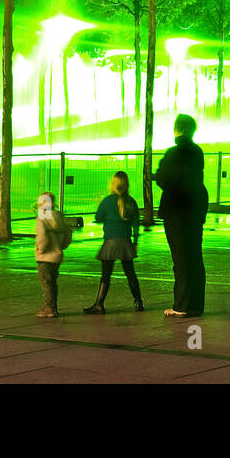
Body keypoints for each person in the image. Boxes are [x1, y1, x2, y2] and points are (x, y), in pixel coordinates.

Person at [155, 113, 208, 317]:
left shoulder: (174, 153)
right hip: (195, 208)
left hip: (177, 209)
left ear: (177, 129)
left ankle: (182, 305)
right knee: (195, 255)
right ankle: (196, 304)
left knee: (180, 257)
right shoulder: (197, 152)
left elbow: (163, 178)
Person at [82, 171, 143, 314]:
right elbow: (136, 225)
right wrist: (135, 242)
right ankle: (138, 302)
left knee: (106, 275)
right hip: (125, 242)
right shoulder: (132, 202)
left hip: (110, 243)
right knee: (130, 273)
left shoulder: (107, 201)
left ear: (113, 184)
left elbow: (98, 217)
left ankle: (99, 304)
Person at [34, 191, 71, 318]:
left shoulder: (42, 219)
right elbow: (68, 233)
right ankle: (53, 307)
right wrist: (62, 246)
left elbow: (42, 237)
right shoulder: (60, 217)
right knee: (52, 282)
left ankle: (49, 308)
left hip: (45, 257)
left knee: (46, 283)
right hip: (57, 256)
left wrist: (40, 249)